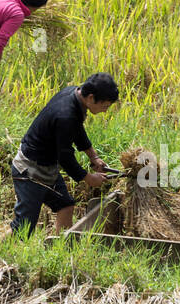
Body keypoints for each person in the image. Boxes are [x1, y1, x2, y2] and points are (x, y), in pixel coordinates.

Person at [9, 73, 120, 237]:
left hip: (47, 167)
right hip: (30, 171)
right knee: (23, 227)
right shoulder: (65, 115)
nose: (105, 111)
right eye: (105, 106)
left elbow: (77, 130)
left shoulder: (73, 94)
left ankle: (63, 249)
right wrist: (89, 178)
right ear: (91, 98)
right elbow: (65, 158)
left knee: (66, 206)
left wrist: (93, 156)